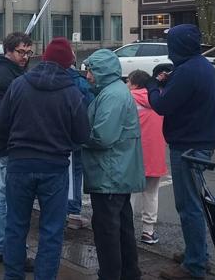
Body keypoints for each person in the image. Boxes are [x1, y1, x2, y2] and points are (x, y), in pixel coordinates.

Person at [0, 37, 90, 280]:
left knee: (16, 226)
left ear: (44, 58)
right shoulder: (71, 92)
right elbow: (81, 134)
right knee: (51, 231)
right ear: (68, 63)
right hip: (54, 167)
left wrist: (6, 151)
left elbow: (1, 123)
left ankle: (13, 276)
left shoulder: (19, 84)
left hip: (19, 162)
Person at [146, 24, 215, 280]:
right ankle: (195, 254)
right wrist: (170, 79)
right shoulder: (199, 66)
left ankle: (195, 266)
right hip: (199, 142)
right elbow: (182, 94)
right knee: (192, 203)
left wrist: (153, 84)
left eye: (170, 43)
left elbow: (162, 105)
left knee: (189, 206)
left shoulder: (189, 71)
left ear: (178, 46)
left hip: (189, 146)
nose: (168, 47)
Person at [82, 49, 144, 280]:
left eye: (91, 71)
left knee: (107, 233)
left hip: (109, 174)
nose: (88, 76)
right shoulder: (115, 91)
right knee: (122, 229)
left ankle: (110, 275)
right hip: (119, 173)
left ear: (102, 71)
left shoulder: (111, 96)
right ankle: (129, 273)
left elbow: (102, 137)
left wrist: (79, 135)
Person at [0, 32, 33, 267]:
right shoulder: (4, 75)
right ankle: (6, 248)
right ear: (9, 51)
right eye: (21, 52)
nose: (25, 56)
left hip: (5, 142)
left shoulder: (7, 71)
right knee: (11, 198)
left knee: (5, 194)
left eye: (28, 52)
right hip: (9, 143)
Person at [128, 70, 167, 245]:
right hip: (155, 154)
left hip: (133, 154)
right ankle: (148, 232)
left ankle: (126, 230)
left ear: (135, 84)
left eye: (128, 81)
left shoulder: (128, 98)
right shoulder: (159, 99)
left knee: (128, 195)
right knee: (151, 194)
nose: (126, 84)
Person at [65, 63, 96, 227]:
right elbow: (92, 108)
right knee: (76, 172)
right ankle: (73, 212)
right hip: (77, 136)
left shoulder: (51, 80)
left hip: (57, 137)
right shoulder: (82, 83)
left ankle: (61, 210)